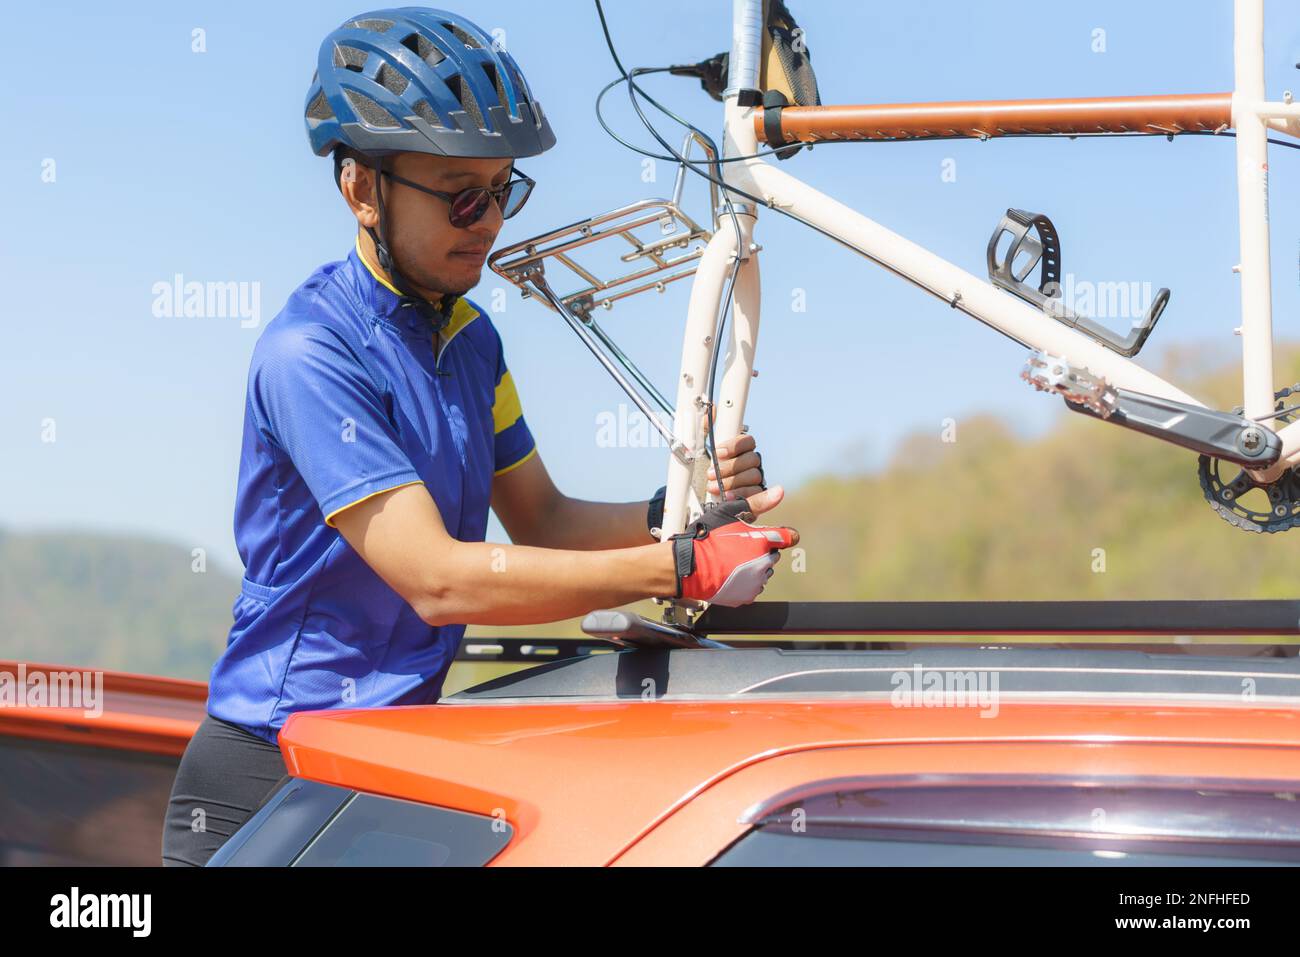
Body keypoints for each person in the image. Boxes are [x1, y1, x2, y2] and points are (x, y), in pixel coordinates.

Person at [162, 7, 797, 867]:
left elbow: (541, 517)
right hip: (271, 774)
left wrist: (678, 513)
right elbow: (437, 579)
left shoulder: (471, 341)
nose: (490, 219)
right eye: (461, 194)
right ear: (361, 189)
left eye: (503, 189)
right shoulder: (310, 354)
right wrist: (678, 570)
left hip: (388, 764)